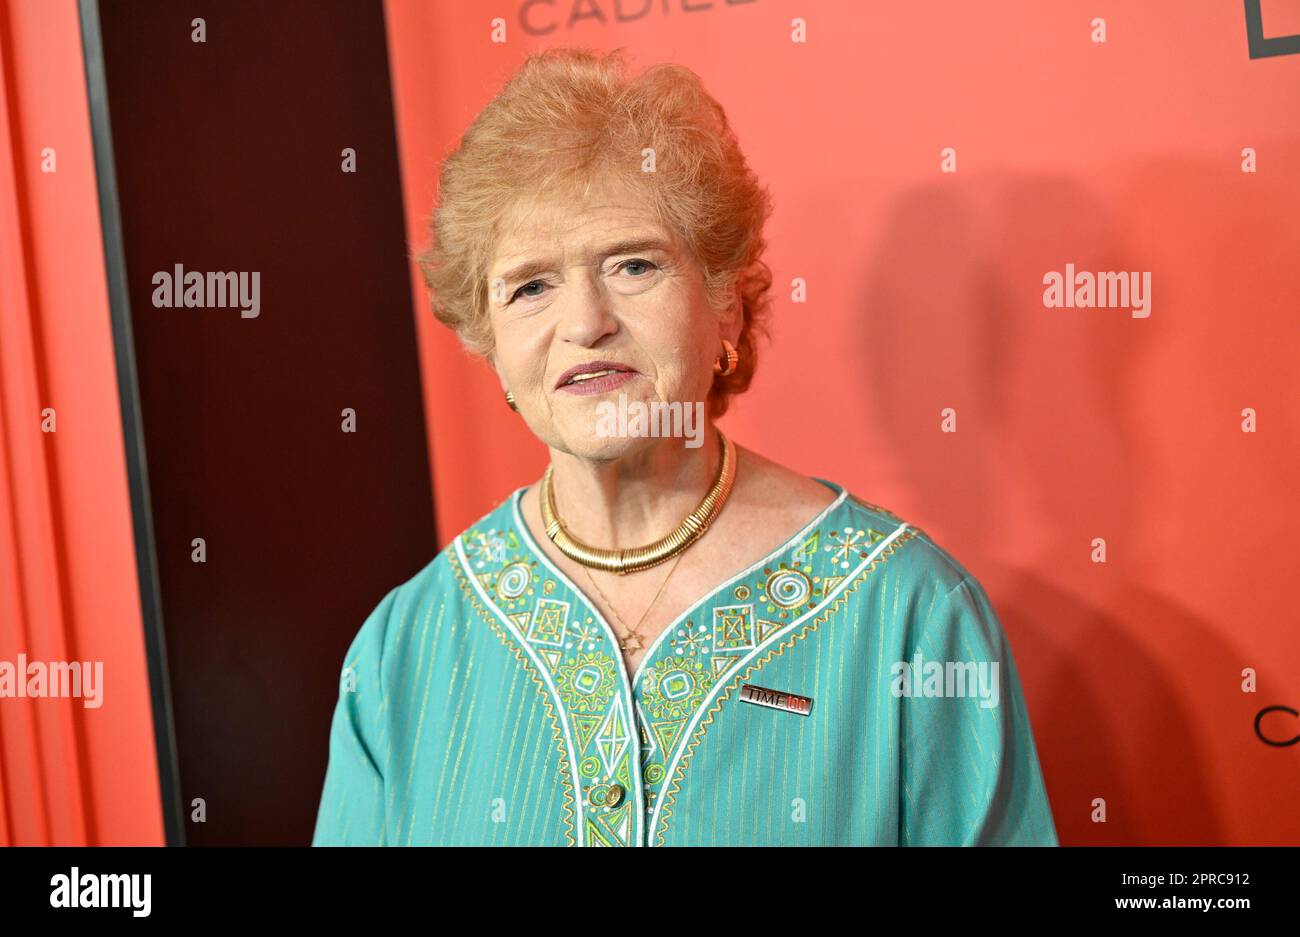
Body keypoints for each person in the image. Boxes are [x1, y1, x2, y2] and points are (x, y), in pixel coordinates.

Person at [312, 47, 1056, 846]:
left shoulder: (909, 616)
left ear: (727, 307)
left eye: (633, 264)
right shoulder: (404, 651)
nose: (585, 322)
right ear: (488, 340)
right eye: (531, 285)